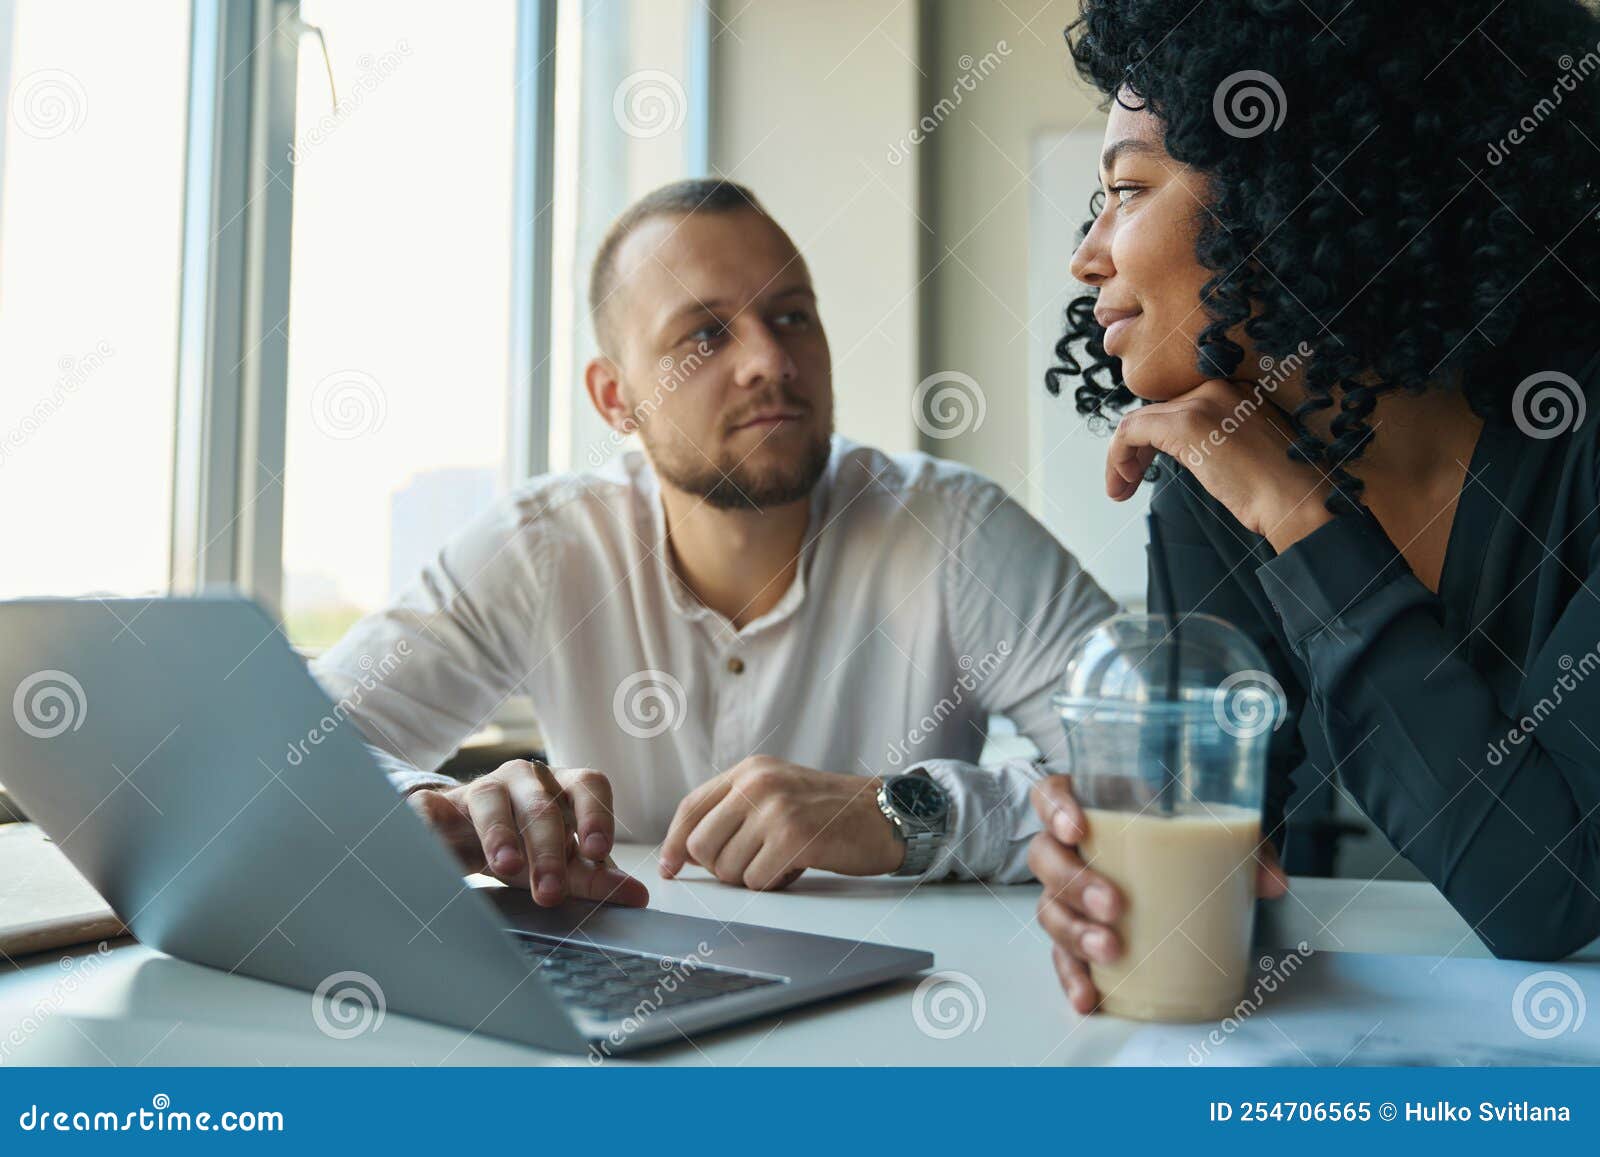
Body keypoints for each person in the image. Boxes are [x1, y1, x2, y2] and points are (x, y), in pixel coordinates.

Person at [313, 179, 1116, 911]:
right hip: (618, 1013)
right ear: (615, 399)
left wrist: (903, 813)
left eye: (792, 315)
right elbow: (293, 751)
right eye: (704, 336)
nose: (770, 361)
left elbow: (1167, 770)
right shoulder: (542, 546)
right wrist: (431, 804)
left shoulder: (955, 528)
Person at [1029, 0, 1600, 1014]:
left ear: (1286, 191)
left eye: (1124, 189)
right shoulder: (1216, 477)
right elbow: (1213, 846)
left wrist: (1299, 516)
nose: (1088, 254)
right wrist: (1103, 889)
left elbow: (1547, 894)